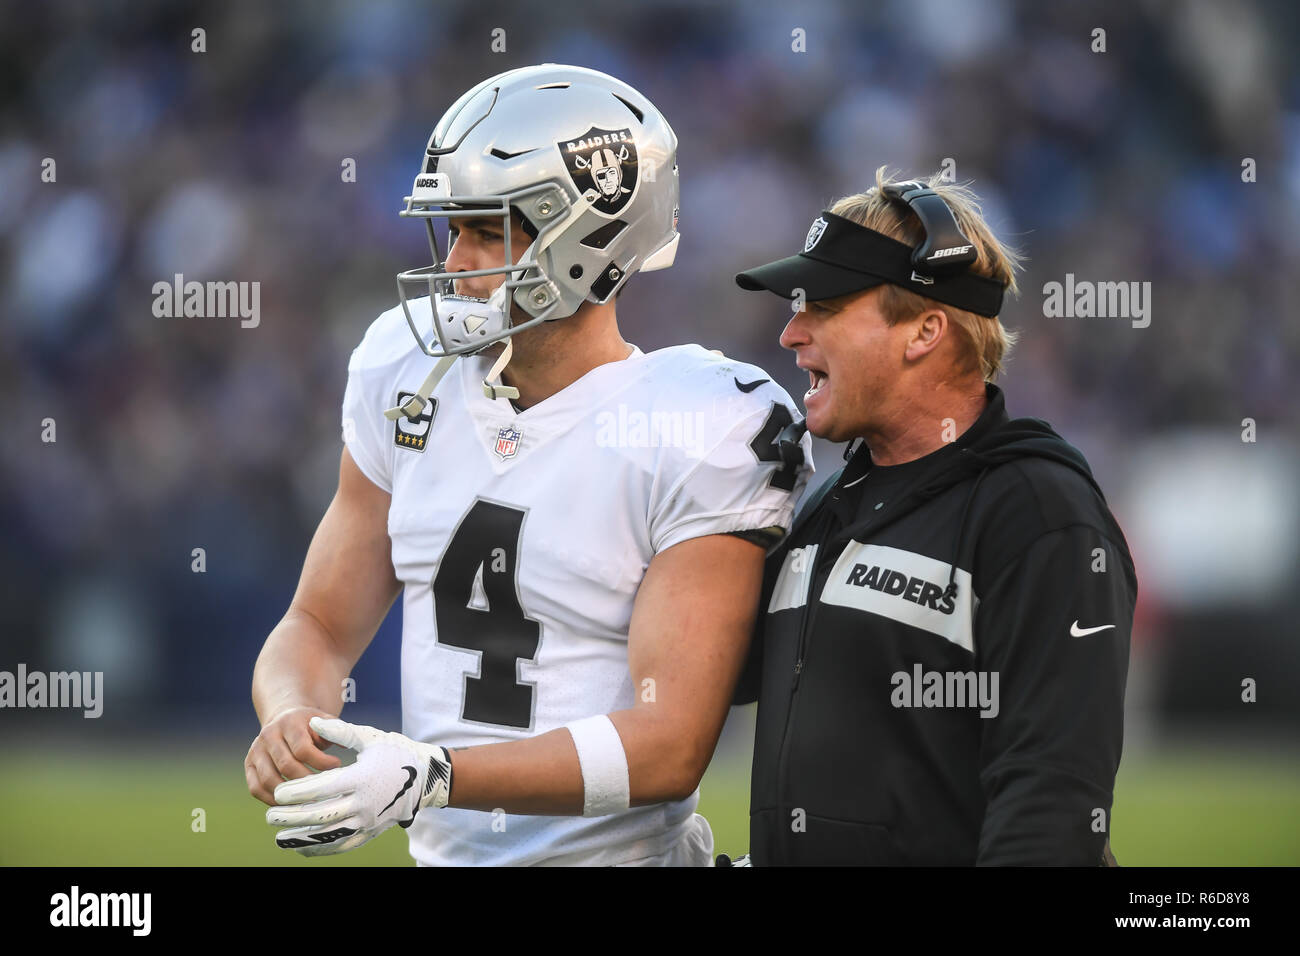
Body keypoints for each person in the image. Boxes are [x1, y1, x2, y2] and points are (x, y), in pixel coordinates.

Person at [244, 63, 811, 866]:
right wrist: (290, 715)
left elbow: (669, 744)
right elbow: (318, 625)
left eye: (486, 230)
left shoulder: (700, 422)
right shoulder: (405, 370)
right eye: (453, 229)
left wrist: (433, 778)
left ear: (586, 238)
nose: (454, 262)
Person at [730, 168, 1134, 865]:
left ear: (924, 331)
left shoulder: (1039, 513)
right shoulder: (828, 502)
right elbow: (721, 676)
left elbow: (1051, 807)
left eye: (821, 307)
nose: (790, 333)